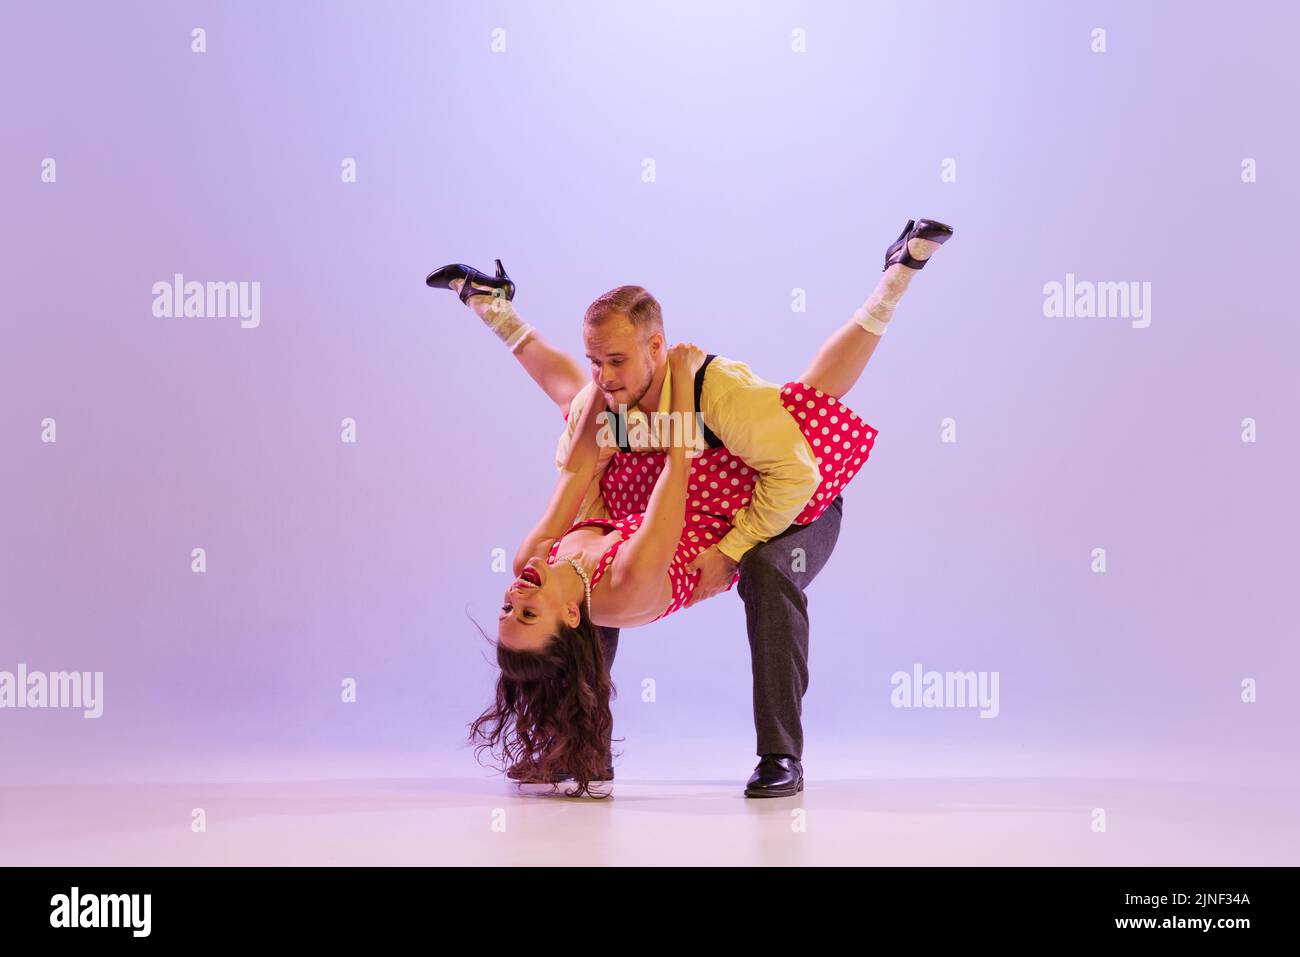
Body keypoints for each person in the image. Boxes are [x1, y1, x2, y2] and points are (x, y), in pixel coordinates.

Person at [427, 219, 953, 797]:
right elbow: (584, 454)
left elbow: (796, 475)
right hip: (682, 506)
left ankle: (781, 756)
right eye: (595, 361)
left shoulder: (717, 389)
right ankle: (582, 753)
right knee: (577, 565)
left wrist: (731, 550)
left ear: (656, 345)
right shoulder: (606, 404)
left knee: (773, 543)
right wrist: (592, 450)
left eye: (617, 361)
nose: (603, 377)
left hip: (790, 502)